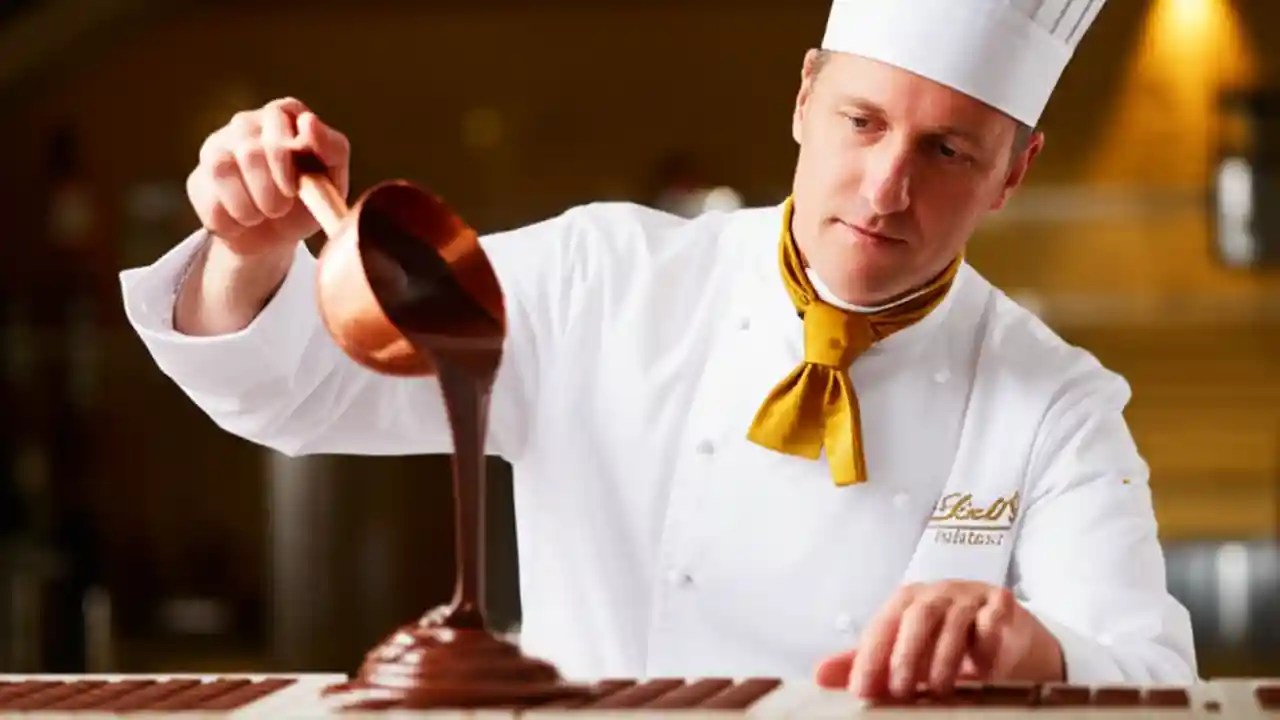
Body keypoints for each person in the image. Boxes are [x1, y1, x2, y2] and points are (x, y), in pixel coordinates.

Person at [120, 0, 1197, 700]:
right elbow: (294, 393)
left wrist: (1031, 646)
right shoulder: (602, 280)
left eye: (947, 149)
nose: (885, 190)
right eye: (862, 122)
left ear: (1012, 172)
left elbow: (1151, 674)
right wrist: (244, 248)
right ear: (804, 96)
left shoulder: (1053, 403)